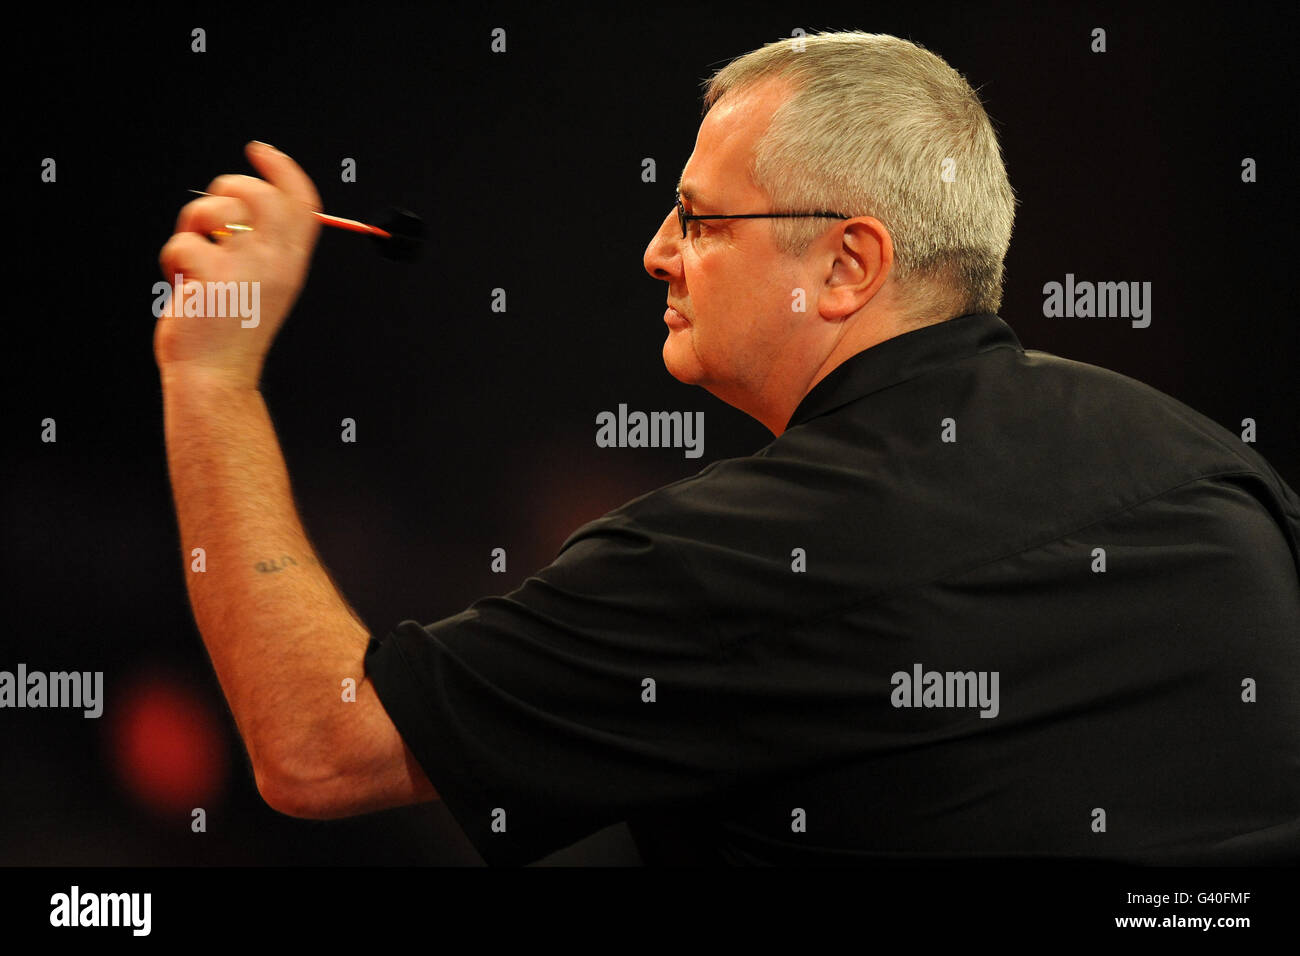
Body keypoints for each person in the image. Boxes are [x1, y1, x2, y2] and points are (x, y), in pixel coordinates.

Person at [157, 31, 1300, 866]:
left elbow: (317, 744)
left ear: (847, 265)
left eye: (701, 219)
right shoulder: (1214, 467)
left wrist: (210, 378)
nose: (657, 251)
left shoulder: (752, 552)